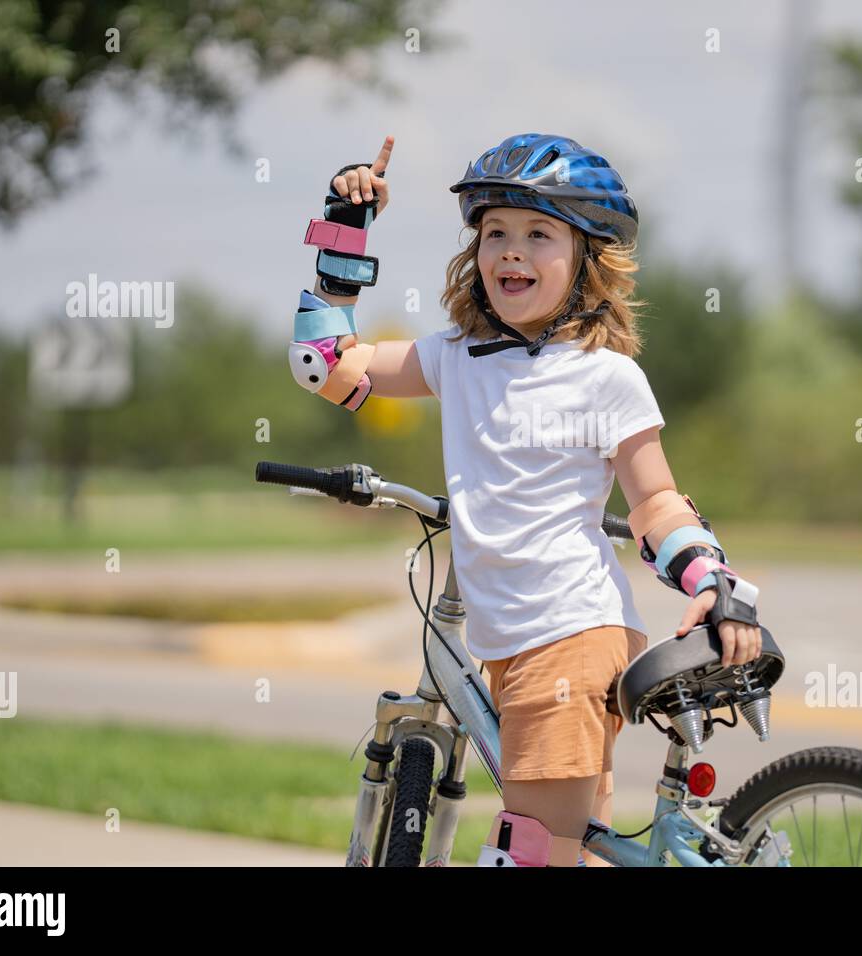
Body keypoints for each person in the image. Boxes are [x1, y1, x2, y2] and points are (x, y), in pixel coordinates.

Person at [289, 133, 763, 867]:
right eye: (495, 232)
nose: (511, 251)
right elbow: (324, 365)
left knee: (529, 851)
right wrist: (345, 226)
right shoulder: (455, 357)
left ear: (587, 261)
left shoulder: (605, 377)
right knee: (571, 847)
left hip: (570, 635)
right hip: (513, 644)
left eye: (539, 234)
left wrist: (712, 579)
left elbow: (656, 500)